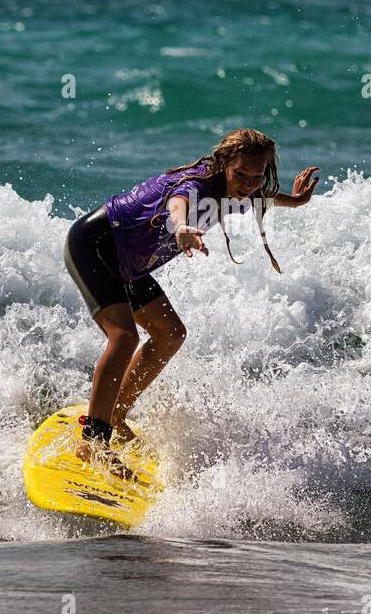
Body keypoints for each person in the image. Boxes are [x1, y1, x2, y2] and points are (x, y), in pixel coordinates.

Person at [63, 128, 320, 475]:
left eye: (256, 175)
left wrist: (296, 200)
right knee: (124, 337)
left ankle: (116, 414)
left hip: (129, 264)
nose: (247, 183)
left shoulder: (236, 188)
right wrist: (181, 226)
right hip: (96, 244)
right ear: (223, 164)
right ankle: (92, 442)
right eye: (240, 174)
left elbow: (258, 196)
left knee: (170, 333)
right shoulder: (198, 186)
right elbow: (178, 202)